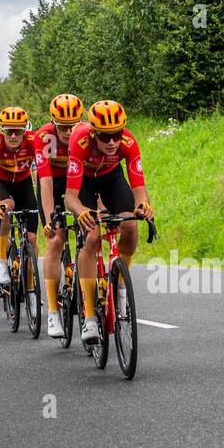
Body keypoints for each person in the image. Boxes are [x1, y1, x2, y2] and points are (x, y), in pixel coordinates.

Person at [64, 100, 154, 344]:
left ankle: (121, 286)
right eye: (106, 137)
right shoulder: (79, 142)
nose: (113, 142)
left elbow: (139, 188)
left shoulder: (128, 142)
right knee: (91, 237)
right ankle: (90, 317)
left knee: (131, 224)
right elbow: (70, 197)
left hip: (112, 178)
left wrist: (143, 205)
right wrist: (82, 210)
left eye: (117, 134)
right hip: (84, 182)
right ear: (93, 133)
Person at [35, 94, 83, 337]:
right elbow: (44, 180)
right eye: (62, 126)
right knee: (55, 240)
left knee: (91, 228)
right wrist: (49, 217)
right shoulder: (45, 137)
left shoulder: (85, 134)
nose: (68, 131)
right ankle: (53, 312)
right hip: (52, 182)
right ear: (53, 123)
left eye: (72, 125)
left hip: (78, 181)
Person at [0, 107, 39, 290]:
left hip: (24, 184)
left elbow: (41, 172)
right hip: (2, 184)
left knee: (31, 239)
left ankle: (31, 287)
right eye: (8, 131)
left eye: (18, 131)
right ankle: (1, 259)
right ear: (2, 131)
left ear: (25, 131)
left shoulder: (33, 141)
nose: (13, 136)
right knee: (6, 207)